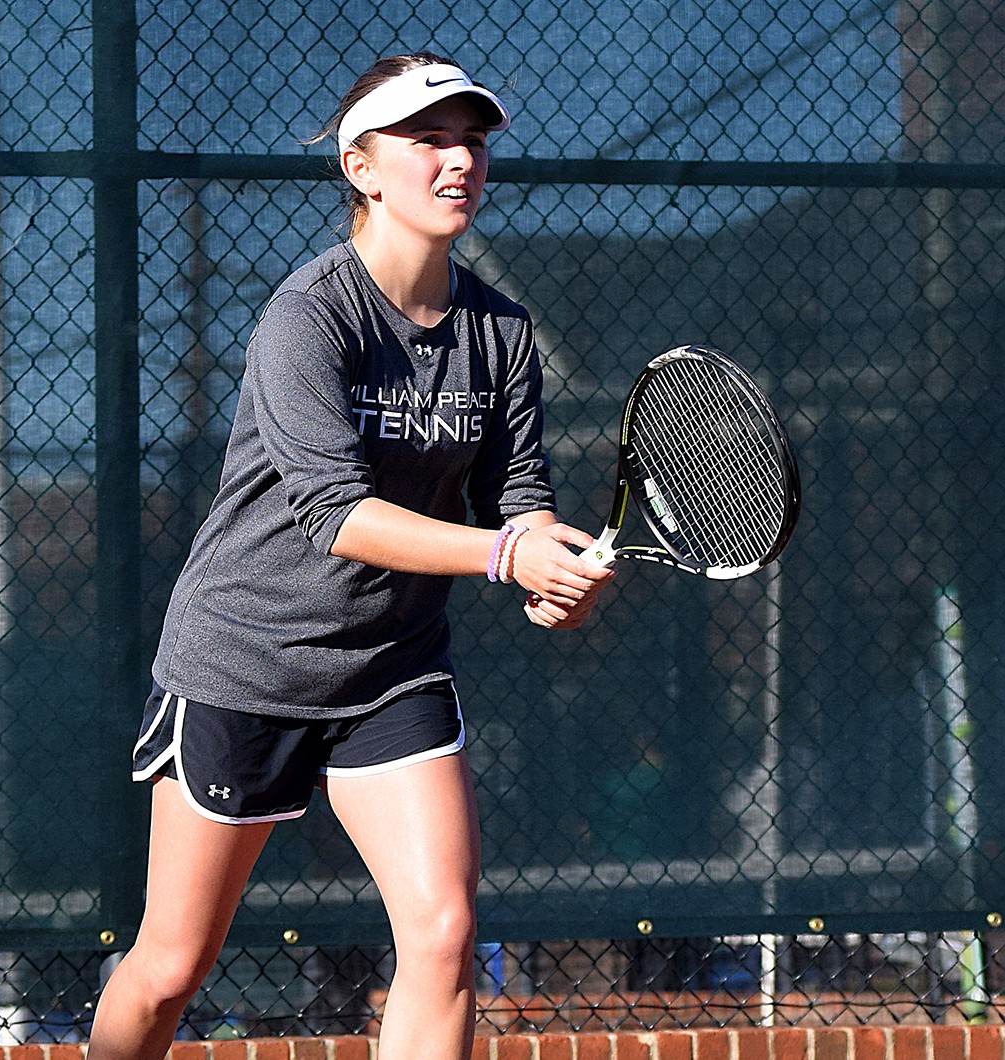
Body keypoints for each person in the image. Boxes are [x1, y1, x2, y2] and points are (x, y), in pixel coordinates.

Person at [86, 52, 616, 1059]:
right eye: (429, 140)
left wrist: (557, 563)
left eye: (470, 140)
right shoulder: (306, 316)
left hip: (391, 666)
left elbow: (517, 496)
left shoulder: (498, 331)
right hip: (246, 660)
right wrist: (508, 557)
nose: (457, 159)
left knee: (445, 934)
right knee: (169, 966)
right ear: (360, 167)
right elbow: (337, 514)